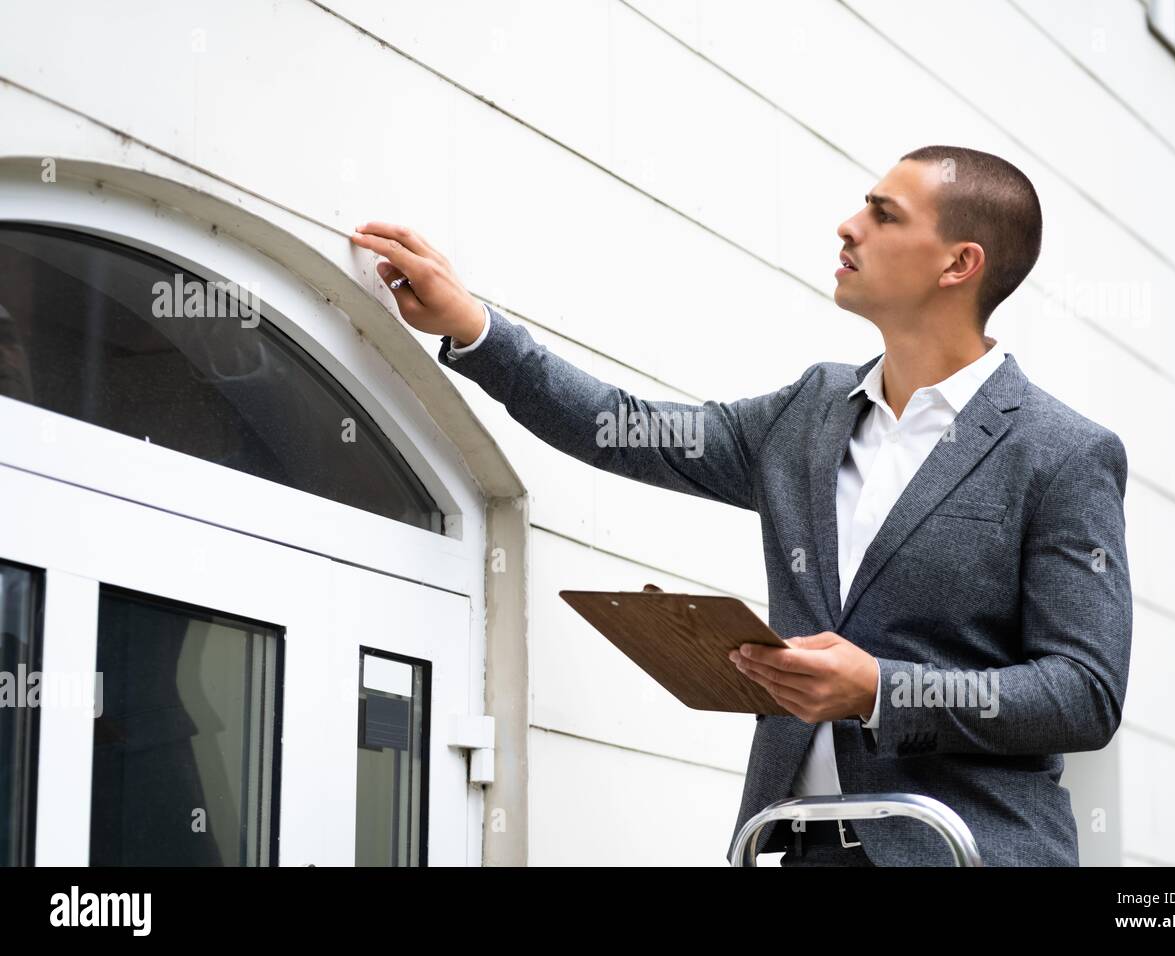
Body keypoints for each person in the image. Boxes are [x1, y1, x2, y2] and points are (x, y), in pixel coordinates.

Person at [350, 144, 1132, 867]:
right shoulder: (810, 412)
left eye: (884, 214)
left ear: (959, 264)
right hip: (789, 846)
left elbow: (1083, 693)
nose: (848, 225)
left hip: (963, 852)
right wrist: (474, 328)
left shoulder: (1062, 454)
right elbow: (626, 431)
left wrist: (882, 691)